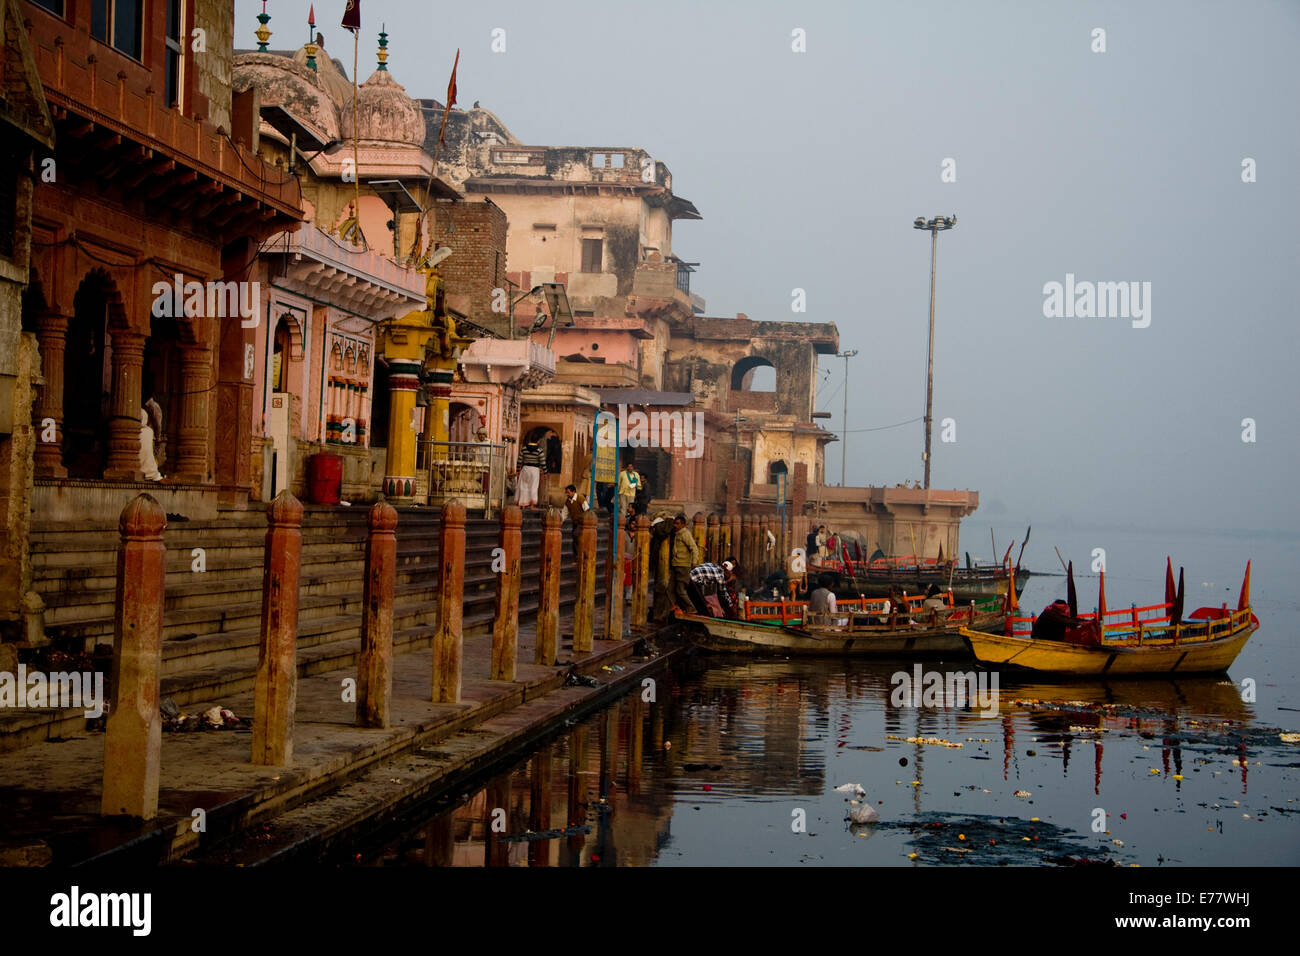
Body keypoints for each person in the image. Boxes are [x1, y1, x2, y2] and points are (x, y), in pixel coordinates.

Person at [670, 512, 702, 612]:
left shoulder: (685, 534)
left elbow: (694, 548)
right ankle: (674, 608)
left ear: (683, 525)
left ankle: (690, 608)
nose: (675, 526)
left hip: (683, 566)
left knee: (680, 590)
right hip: (676, 565)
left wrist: (694, 562)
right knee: (670, 590)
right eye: (674, 523)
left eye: (678, 524)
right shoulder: (676, 534)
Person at [516, 441, 545, 508]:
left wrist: (518, 470)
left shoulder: (524, 449)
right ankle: (532, 505)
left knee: (523, 486)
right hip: (535, 470)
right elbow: (543, 462)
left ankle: (523, 504)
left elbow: (519, 460)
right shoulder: (539, 450)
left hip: (525, 469)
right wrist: (545, 472)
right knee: (533, 487)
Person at [563, 484, 589, 556]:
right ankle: (576, 556)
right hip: (575, 522)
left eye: (568, 492)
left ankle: (581, 554)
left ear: (573, 491)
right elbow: (564, 513)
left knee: (576, 535)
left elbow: (587, 510)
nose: (567, 494)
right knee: (575, 539)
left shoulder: (580, 498)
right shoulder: (567, 501)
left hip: (582, 523)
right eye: (566, 492)